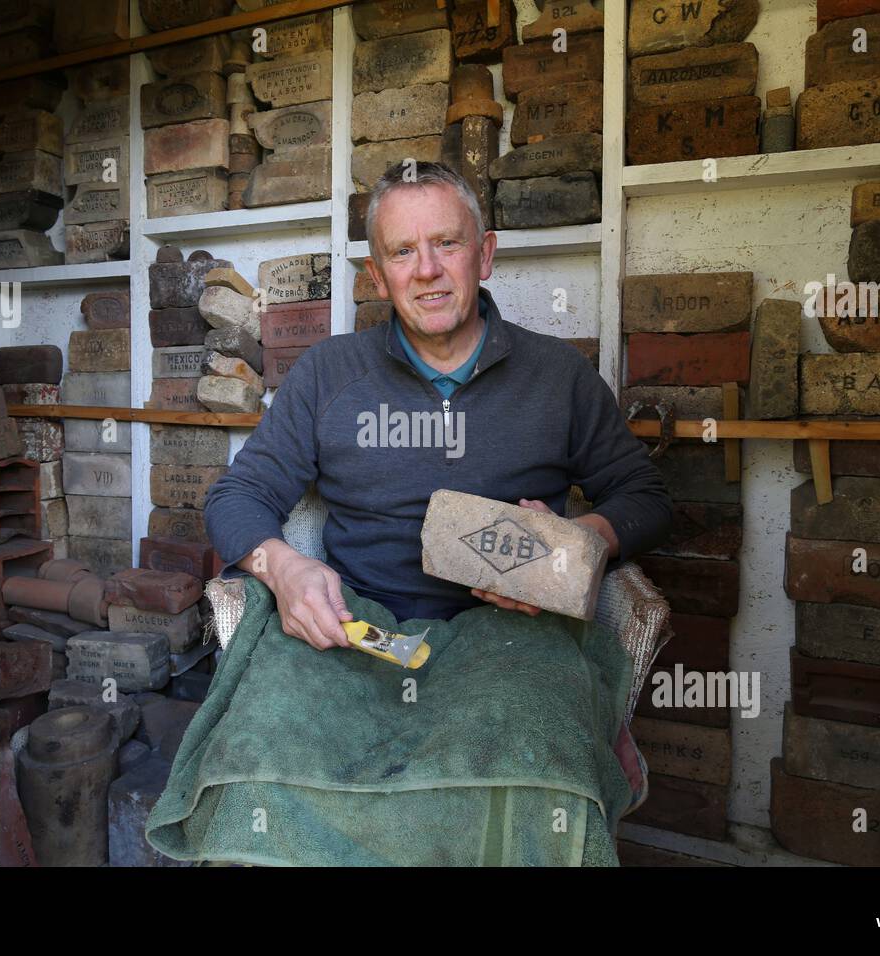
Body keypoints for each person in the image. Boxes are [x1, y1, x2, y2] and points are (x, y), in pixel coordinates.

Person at [204, 162, 672, 646]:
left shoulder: (561, 375)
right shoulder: (326, 373)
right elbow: (237, 497)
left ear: (485, 254)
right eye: (402, 251)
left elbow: (646, 498)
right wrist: (284, 570)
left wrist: (576, 542)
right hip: (357, 621)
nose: (428, 270)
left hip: (517, 635)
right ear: (379, 277)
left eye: (447, 243)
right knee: (260, 723)